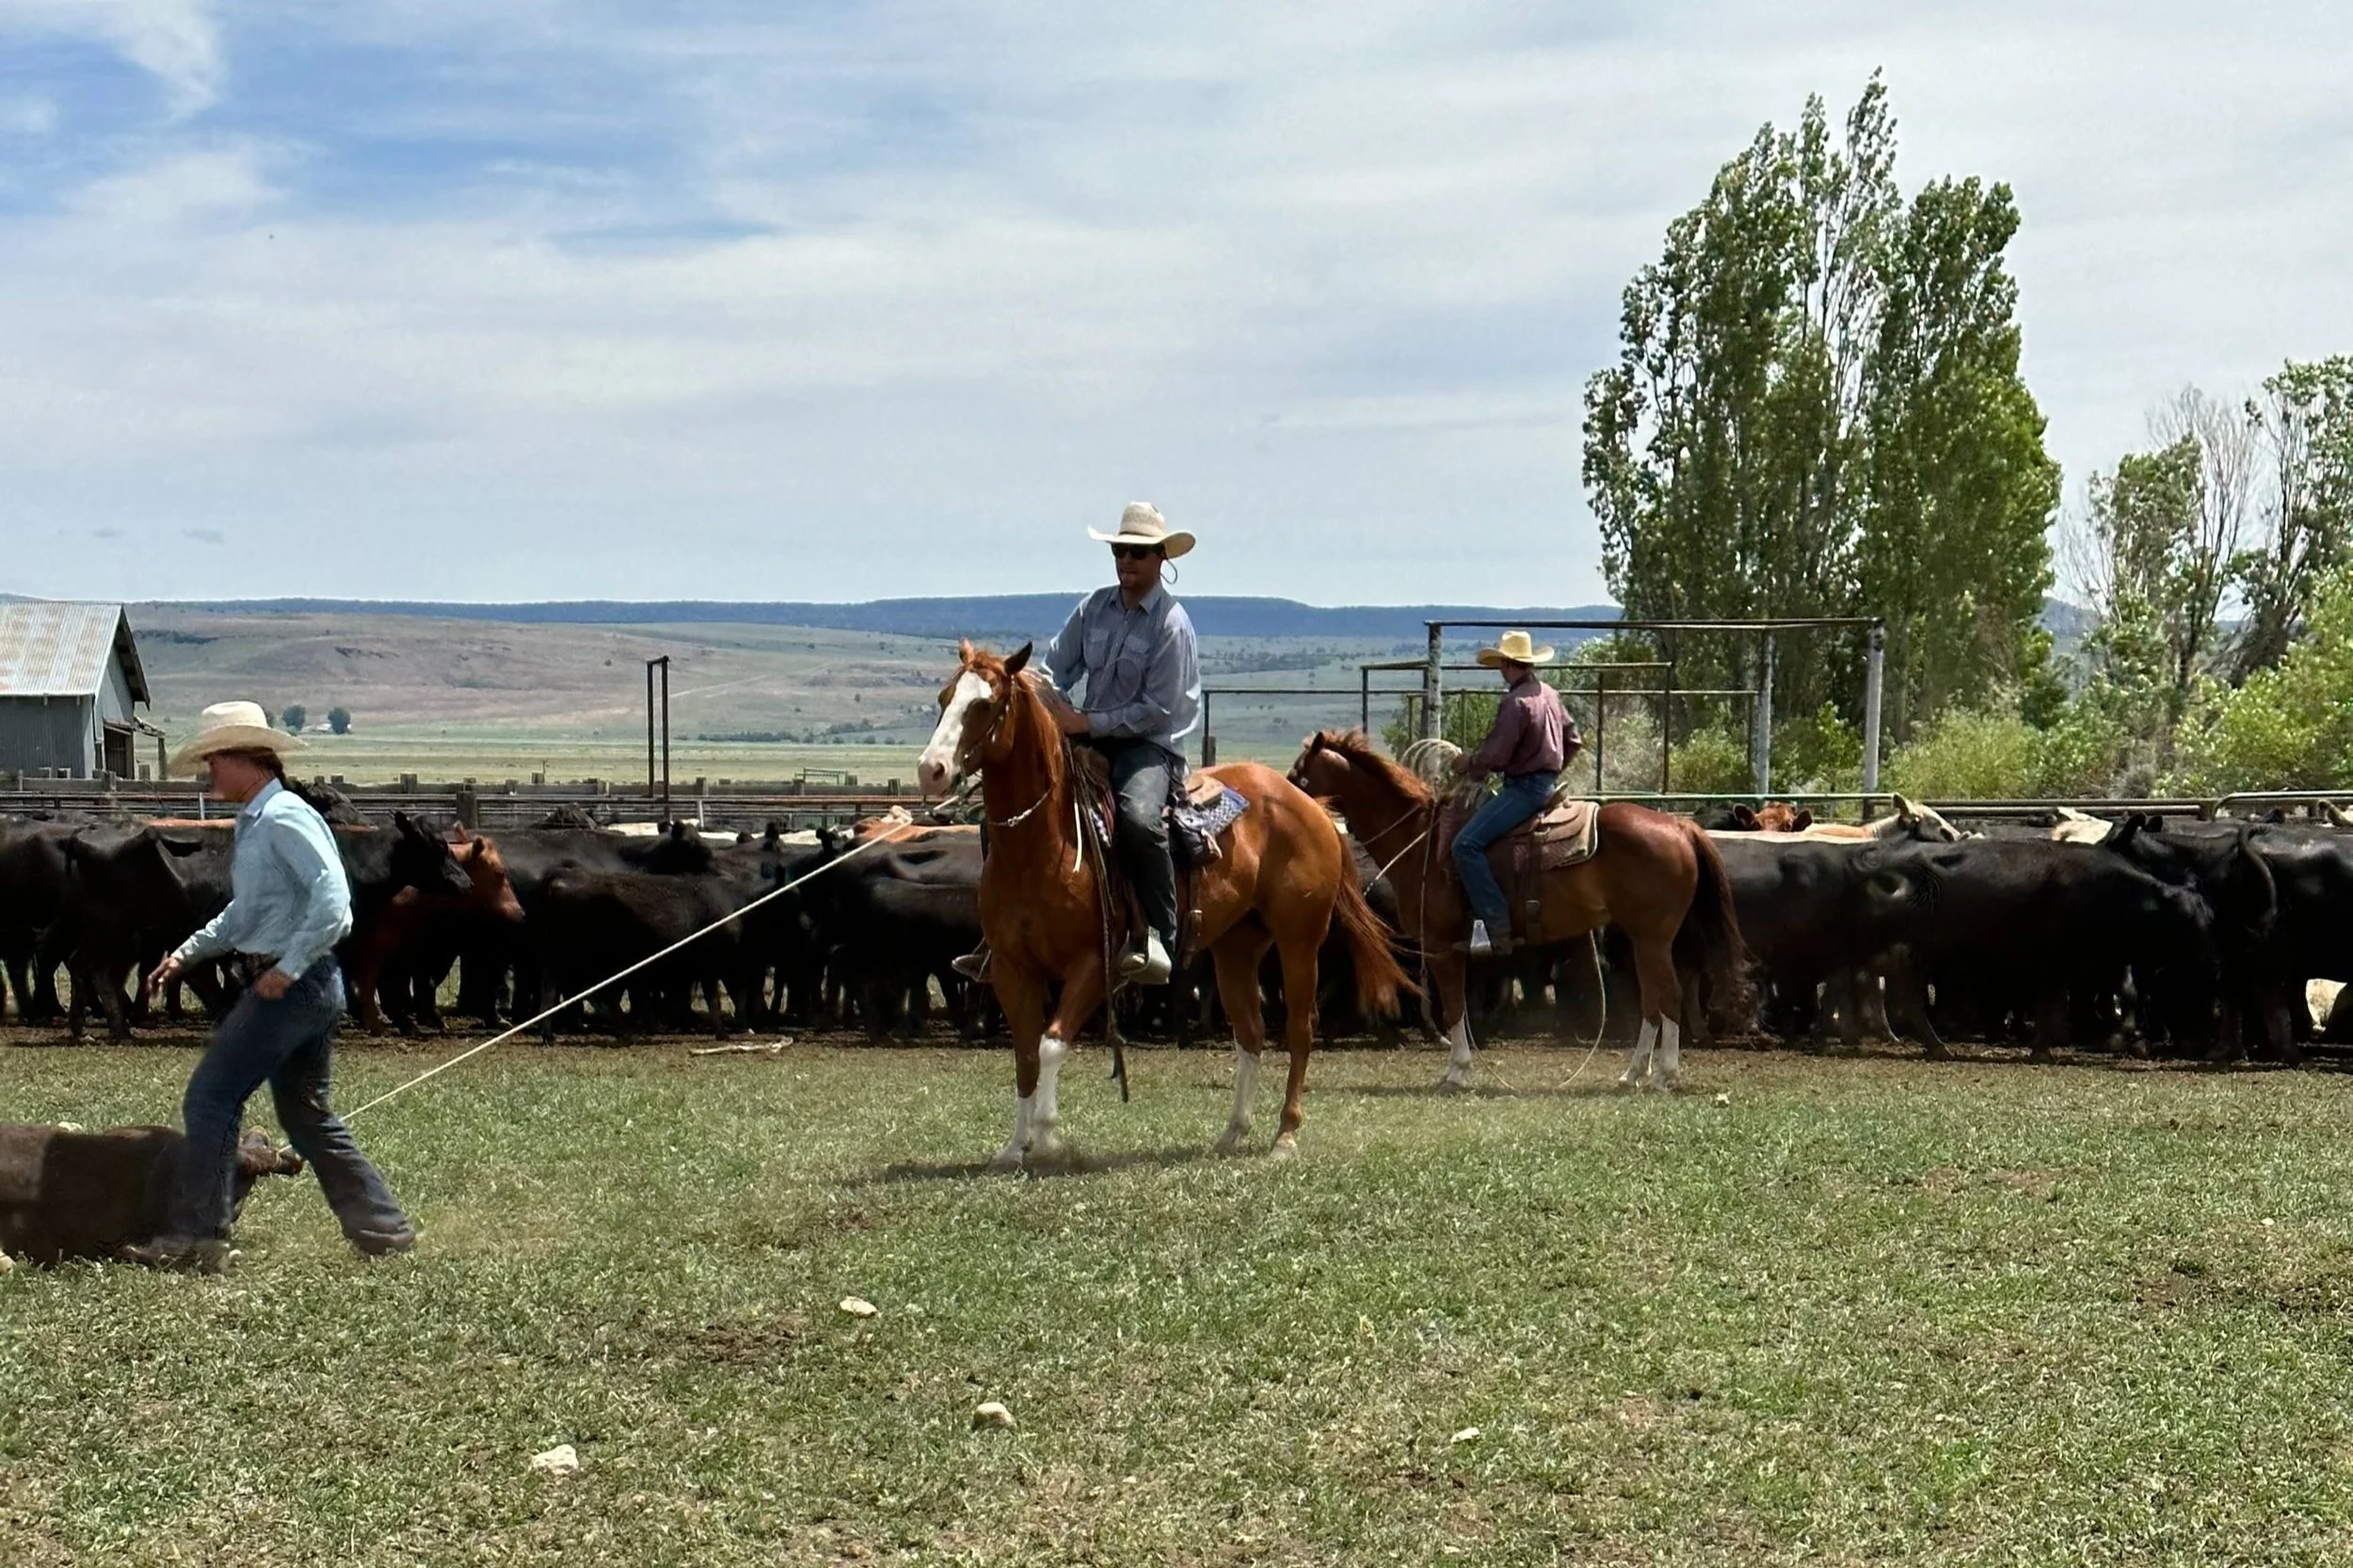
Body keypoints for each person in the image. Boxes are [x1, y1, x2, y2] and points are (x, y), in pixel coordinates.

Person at [129, 702, 415, 1272]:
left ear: (245, 760)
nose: (208, 774)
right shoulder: (260, 820)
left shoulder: (284, 818)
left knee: (211, 1096)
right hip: (305, 983)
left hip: (292, 984)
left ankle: (198, 1238)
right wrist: (187, 953)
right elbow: (247, 912)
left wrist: (287, 967)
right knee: (306, 1113)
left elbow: (334, 903)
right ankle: (384, 1229)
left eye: (214, 761)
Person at [953, 502, 1203, 986]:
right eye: (1120, 551)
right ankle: (997, 936)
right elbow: (1053, 669)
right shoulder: (1094, 608)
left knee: (1137, 818)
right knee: (1005, 814)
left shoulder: (1172, 626)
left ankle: (1158, 935)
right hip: (1084, 734)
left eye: (1139, 552)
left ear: (1161, 561)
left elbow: (1160, 710)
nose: (1126, 560)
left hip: (1148, 747)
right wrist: (1053, 709)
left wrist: (1085, 721)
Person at [1449, 631, 1581, 957]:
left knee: (1465, 845)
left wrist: (1468, 764)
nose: (1500, 671)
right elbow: (1573, 740)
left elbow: (1496, 756)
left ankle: (1497, 927)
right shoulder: (1549, 693)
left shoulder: (1514, 702)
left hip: (1524, 789)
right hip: (1547, 784)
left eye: (1501, 665)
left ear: (1508, 665)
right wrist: (1553, 769)